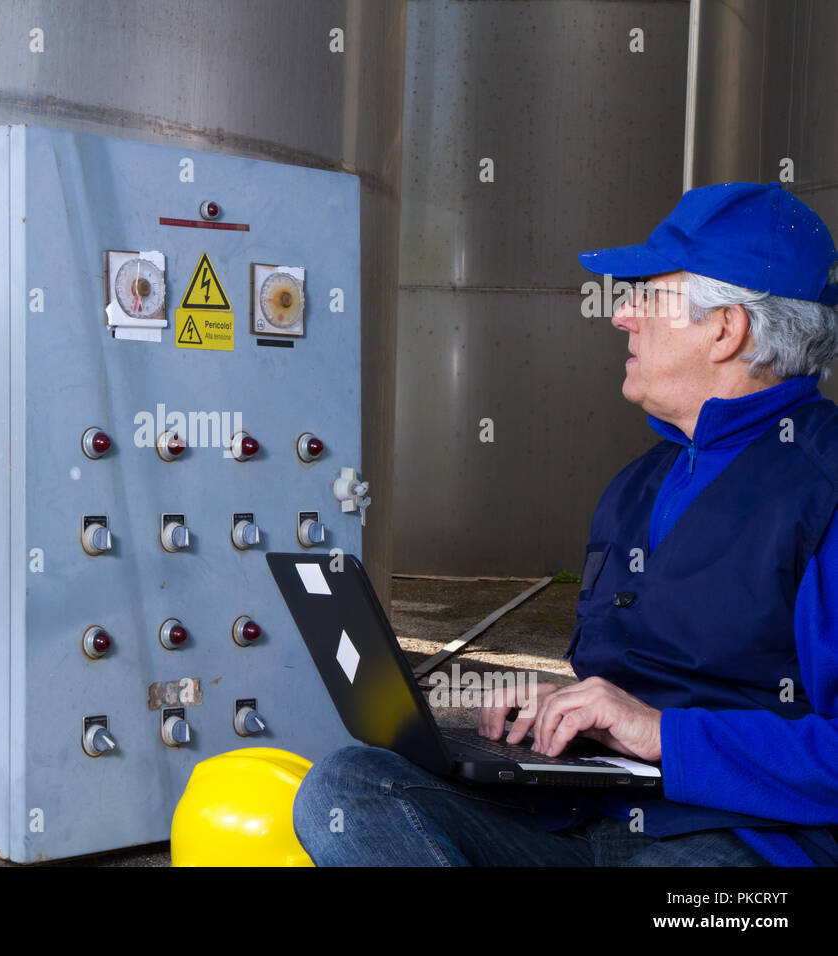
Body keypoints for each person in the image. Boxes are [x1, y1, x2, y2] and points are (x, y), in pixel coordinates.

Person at [292, 182, 838, 866]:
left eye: (646, 295)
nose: (621, 316)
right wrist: (568, 703)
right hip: (586, 813)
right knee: (349, 787)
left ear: (726, 328)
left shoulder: (823, 488)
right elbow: (632, 675)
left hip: (733, 838)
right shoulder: (637, 485)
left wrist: (662, 734)